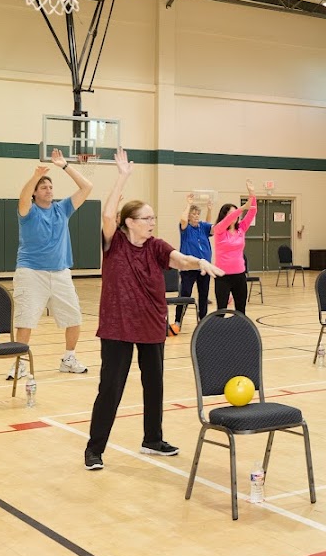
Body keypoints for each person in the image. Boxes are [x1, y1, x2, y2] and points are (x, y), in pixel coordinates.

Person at [85, 149, 223, 472]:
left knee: (155, 383)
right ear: (129, 222)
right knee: (110, 388)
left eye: (153, 218)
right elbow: (107, 216)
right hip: (118, 326)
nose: (151, 223)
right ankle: (95, 449)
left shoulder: (156, 246)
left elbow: (178, 259)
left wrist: (200, 262)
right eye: (146, 218)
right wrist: (123, 177)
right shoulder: (114, 244)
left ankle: (153, 439)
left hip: (150, 323)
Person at [10, 149, 94, 379]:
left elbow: (87, 187)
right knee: (25, 320)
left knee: (74, 318)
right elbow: (23, 198)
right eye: (43, 187)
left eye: (50, 187)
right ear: (36, 192)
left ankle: (68, 358)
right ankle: (19, 363)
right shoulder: (28, 212)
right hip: (30, 272)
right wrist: (35, 176)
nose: (48, 190)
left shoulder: (62, 209)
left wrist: (65, 166)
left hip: (60, 273)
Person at [212, 181, 258, 314]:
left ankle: (240, 333)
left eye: (236, 214)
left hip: (239, 275)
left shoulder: (241, 229)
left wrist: (252, 194)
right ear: (224, 216)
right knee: (221, 310)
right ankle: (220, 333)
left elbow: (252, 212)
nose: (235, 216)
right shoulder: (219, 230)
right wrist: (243, 207)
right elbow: (227, 220)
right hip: (222, 276)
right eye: (232, 213)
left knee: (241, 310)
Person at [174, 193, 214, 327]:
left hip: (204, 268)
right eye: (194, 214)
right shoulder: (186, 229)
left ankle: (202, 321)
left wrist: (209, 210)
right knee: (185, 294)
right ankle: (178, 320)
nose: (196, 216)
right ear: (189, 216)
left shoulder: (202, 227)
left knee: (203, 295)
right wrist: (189, 204)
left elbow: (210, 226)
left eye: (198, 214)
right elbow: (183, 220)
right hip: (188, 268)